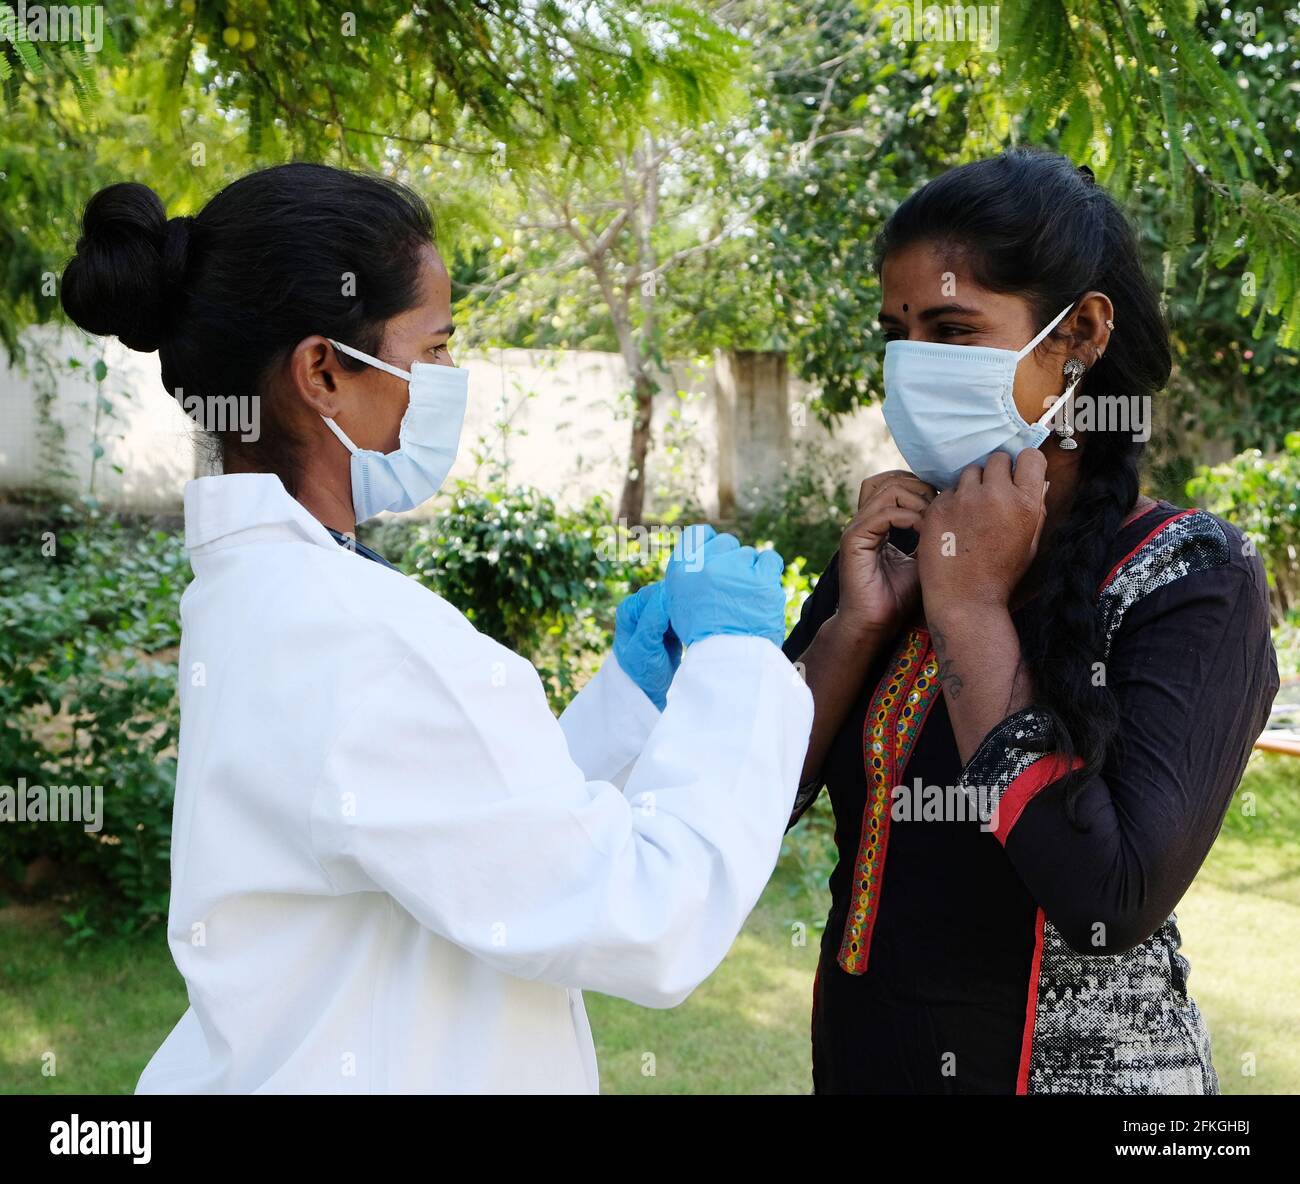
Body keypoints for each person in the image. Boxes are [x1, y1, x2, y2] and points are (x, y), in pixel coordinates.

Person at [60, 163, 813, 1093]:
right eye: (436, 348)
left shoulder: (267, 591)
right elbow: (647, 915)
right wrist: (736, 659)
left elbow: (457, 834)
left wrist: (631, 702)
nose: (451, 378)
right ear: (324, 371)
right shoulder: (351, 630)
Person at [785, 149, 1279, 1095]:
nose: (914, 366)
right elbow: (753, 798)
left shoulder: (1191, 578)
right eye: (899, 333)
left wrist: (968, 606)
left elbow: (1109, 896)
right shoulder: (896, 544)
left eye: (953, 329)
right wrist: (855, 626)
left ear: (1082, 335)